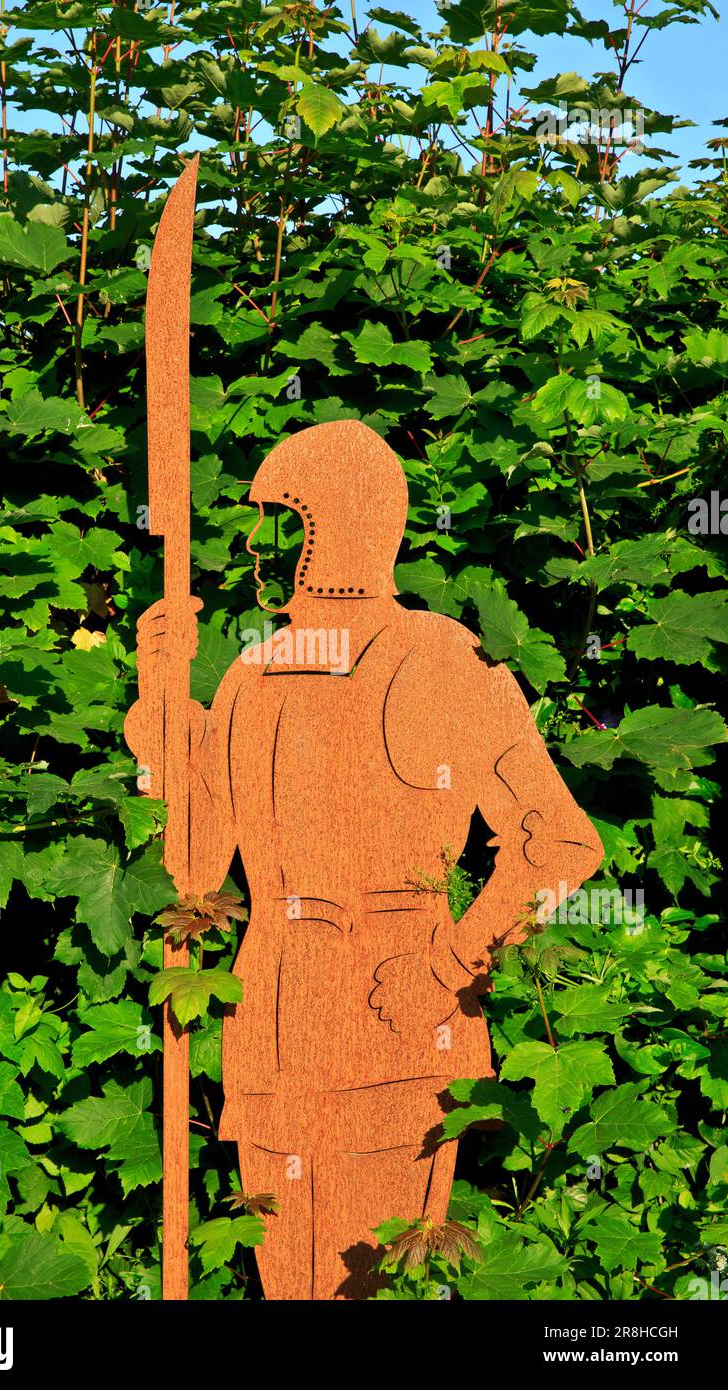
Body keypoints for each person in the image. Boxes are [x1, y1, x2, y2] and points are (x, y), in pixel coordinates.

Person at [125, 418, 603, 1299]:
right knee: (291, 1286)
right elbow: (193, 870)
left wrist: (452, 965)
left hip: (394, 1027)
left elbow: (562, 842)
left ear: (330, 529)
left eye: (278, 523)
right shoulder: (252, 671)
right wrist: (161, 700)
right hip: (270, 1034)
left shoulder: (438, 659)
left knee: (365, 1285)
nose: (255, 547)